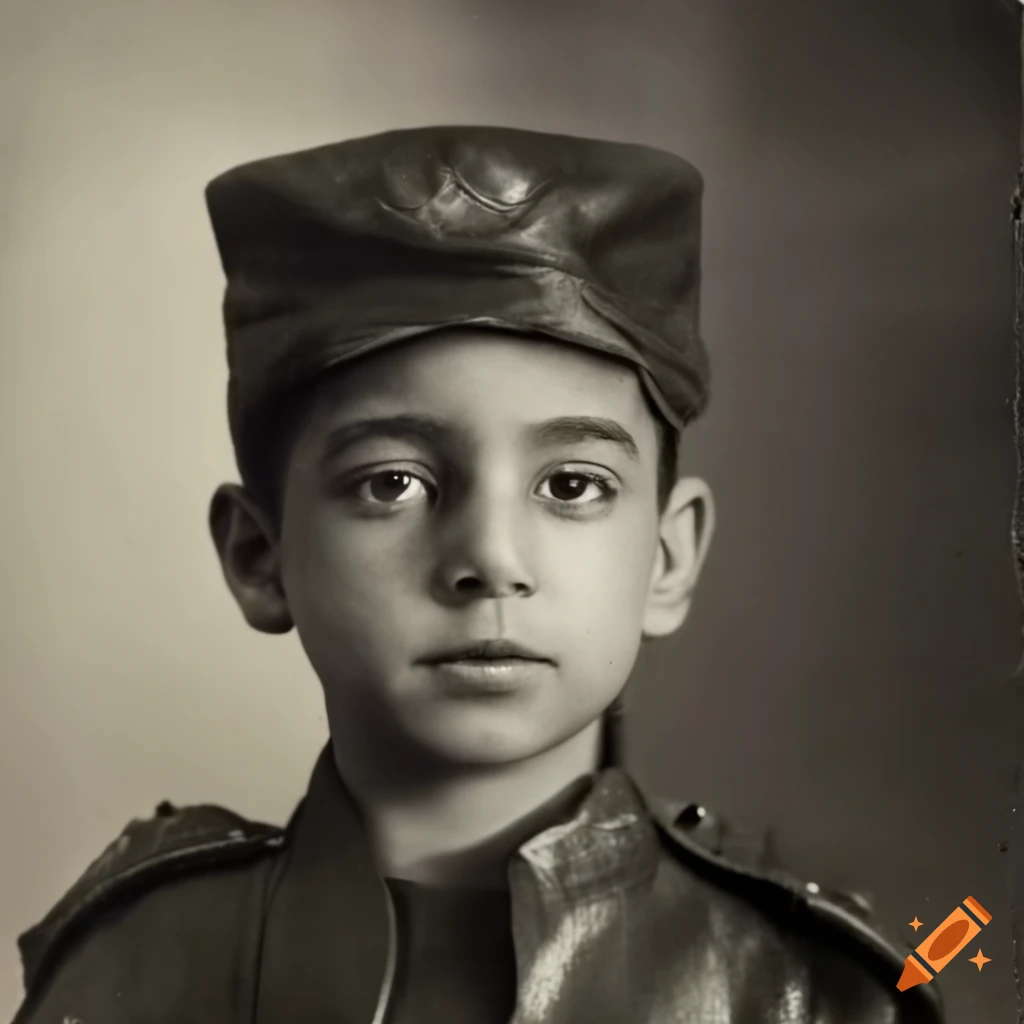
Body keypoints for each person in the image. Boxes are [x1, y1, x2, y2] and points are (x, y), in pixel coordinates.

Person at [11, 126, 944, 1024]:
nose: (491, 559)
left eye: (573, 485)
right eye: (393, 483)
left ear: (666, 556)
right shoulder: (135, 965)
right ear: (261, 558)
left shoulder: (809, 996)